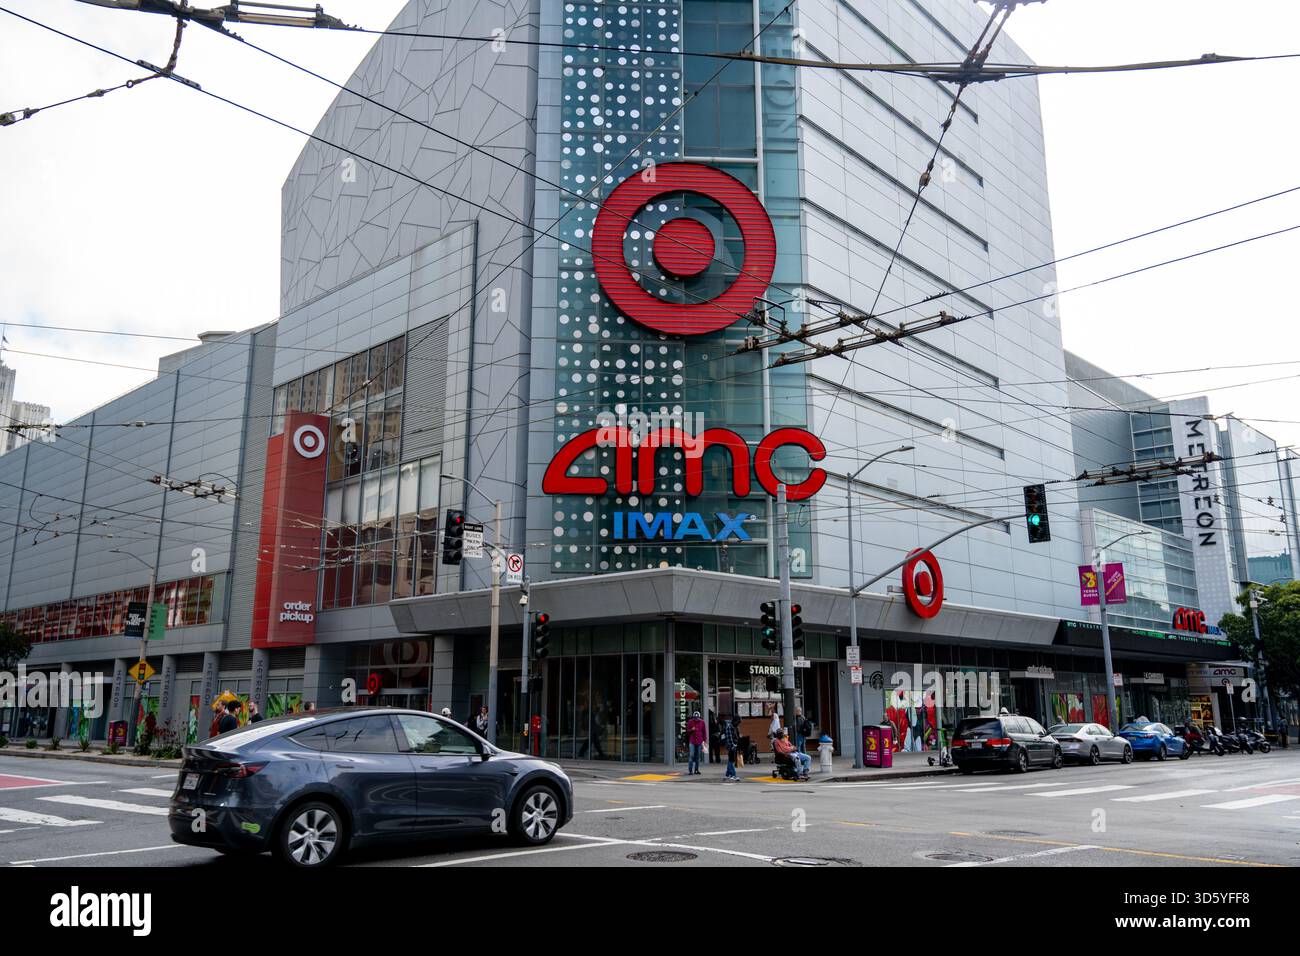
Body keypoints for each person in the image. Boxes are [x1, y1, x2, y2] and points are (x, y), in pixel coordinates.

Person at [685, 710, 708, 775]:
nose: (696, 719)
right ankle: (690, 770)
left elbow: (704, 732)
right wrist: (691, 730)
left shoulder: (702, 722)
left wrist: (705, 741)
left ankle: (696, 770)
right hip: (692, 741)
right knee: (691, 755)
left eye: (697, 718)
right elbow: (687, 731)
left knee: (698, 756)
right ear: (693, 717)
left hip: (700, 741)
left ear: (699, 717)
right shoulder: (690, 721)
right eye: (695, 718)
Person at [720, 715, 740, 781]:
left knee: (730, 760)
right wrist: (733, 745)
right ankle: (733, 775)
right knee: (731, 761)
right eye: (738, 722)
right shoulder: (730, 727)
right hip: (731, 746)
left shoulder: (733, 726)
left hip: (732, 745)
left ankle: (727, 775)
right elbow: (730, 737)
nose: (738, 723)